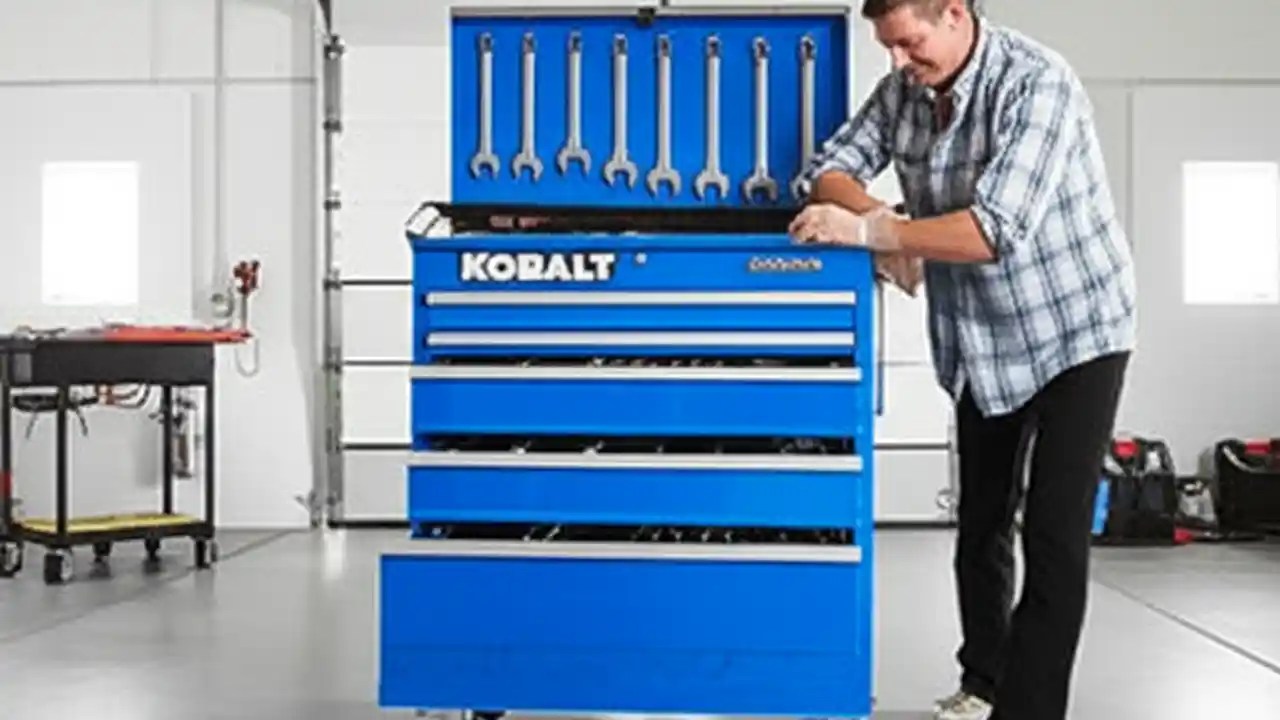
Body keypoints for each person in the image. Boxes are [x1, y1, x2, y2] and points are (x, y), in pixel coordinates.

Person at [788, 1, 1137, 719]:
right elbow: (828, 168)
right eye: (888, 47)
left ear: (953, 13)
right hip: (981, 339)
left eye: (909, 43)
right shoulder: (905, 90)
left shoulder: (1037, 83)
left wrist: (877, 231)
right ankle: (983, 683)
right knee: (980, 520)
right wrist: (893, 233)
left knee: (1052, 529)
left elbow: (994, 229)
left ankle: (1030, 709)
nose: (898, 62)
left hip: (1076, 328)